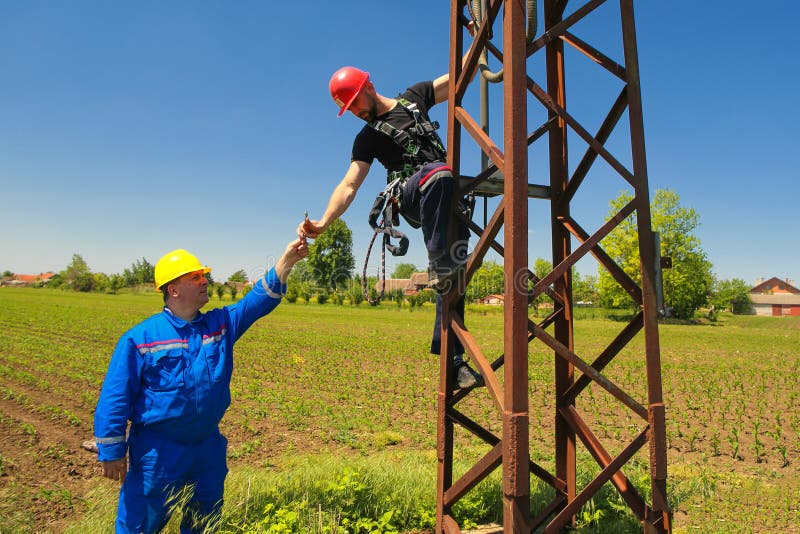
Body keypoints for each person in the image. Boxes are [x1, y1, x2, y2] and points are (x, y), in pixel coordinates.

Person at [297, 44, 484, 391]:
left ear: (368, 86)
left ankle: (452, 361)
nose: (353, 111)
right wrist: (324, 221)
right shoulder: (367, 138)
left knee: (455, 278)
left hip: (446, 200)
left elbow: (460, 77)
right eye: (347, 108)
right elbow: (350, 184)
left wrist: (477, 41)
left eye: (354, 102)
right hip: (414, 194)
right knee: (441, 178)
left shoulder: (414, 98)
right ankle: (438, 263)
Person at [93, 239, 308, 533]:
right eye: (195, 277)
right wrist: (111, 451)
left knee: (203, 524)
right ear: (173, 289)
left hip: (207, 448)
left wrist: (287, 261)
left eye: (203, 275)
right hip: (158, 453)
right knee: (140, 525)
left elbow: (257, 301)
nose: (205, 281)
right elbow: (115, 398)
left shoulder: (220, 325)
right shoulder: (140, 338)